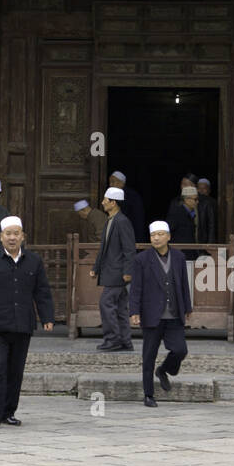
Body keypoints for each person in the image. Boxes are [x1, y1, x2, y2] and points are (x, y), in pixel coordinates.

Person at [0, 215, 54, 429]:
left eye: (16, 234)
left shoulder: (33, 261)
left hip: (22, 323)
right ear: (1, 236)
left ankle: (8, 412)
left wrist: (47, 317)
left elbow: (42, 291)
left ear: (22, 236)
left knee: (16, 370)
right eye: (8, 234)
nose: (12, 238)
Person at [129, 220, 193, 407]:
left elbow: (183, 284)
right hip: (151, 314)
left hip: (173, 313)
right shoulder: (142, 259)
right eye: (152, 235)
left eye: (159, 234)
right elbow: (136, 288)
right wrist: (134, 310)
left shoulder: (179, 257)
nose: (156, 238)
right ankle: (148, 395)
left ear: (168, 236)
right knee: (148, 356)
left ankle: (164, 370)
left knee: (180, 349)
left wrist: (187, 307)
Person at [91, 186, 136, 352]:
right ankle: (125, 341)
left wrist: (128, 271)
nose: (103, 203)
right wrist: (96, 268)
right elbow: (104, 248)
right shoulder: (110, 220)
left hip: (117, 272)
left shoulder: (122, 221)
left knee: (106, 304)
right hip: (111, 271)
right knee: (121, 308)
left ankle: (112, 340)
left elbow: (129, 249)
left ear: (114, 202)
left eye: (105, 200)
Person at [166, 184, 204, 257]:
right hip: (179, 255)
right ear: (186, 199)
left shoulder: (192, 213)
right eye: (195, 199)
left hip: (190, 254)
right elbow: (168, 232)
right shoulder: (176, 213)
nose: (197, 202)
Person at [109, 170, 147, 234]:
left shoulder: (133, 196)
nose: (110, 185)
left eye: (113, 182)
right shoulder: (110, 196)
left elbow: (138, 220)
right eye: (110, 182)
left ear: (121, 183)